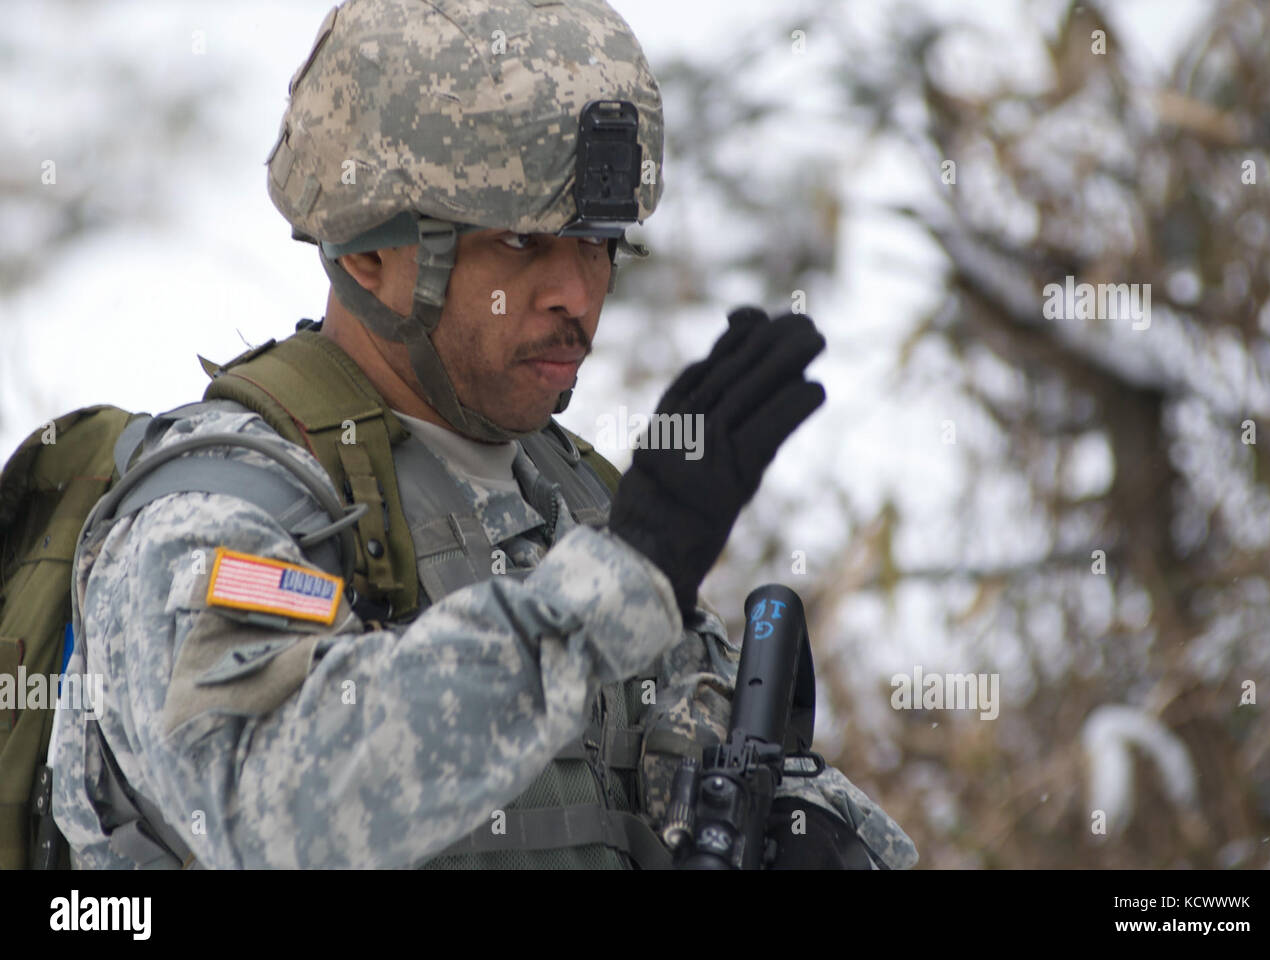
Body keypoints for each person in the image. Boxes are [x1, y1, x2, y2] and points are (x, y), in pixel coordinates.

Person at [50, 0, 918, 870]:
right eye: (521, 241)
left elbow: (692, 752)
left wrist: (805, 824)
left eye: (598, 243)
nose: (576, 295)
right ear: (368, 253)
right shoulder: (217, 512)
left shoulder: (576, 498)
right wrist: (616, 586)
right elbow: (272, 808)